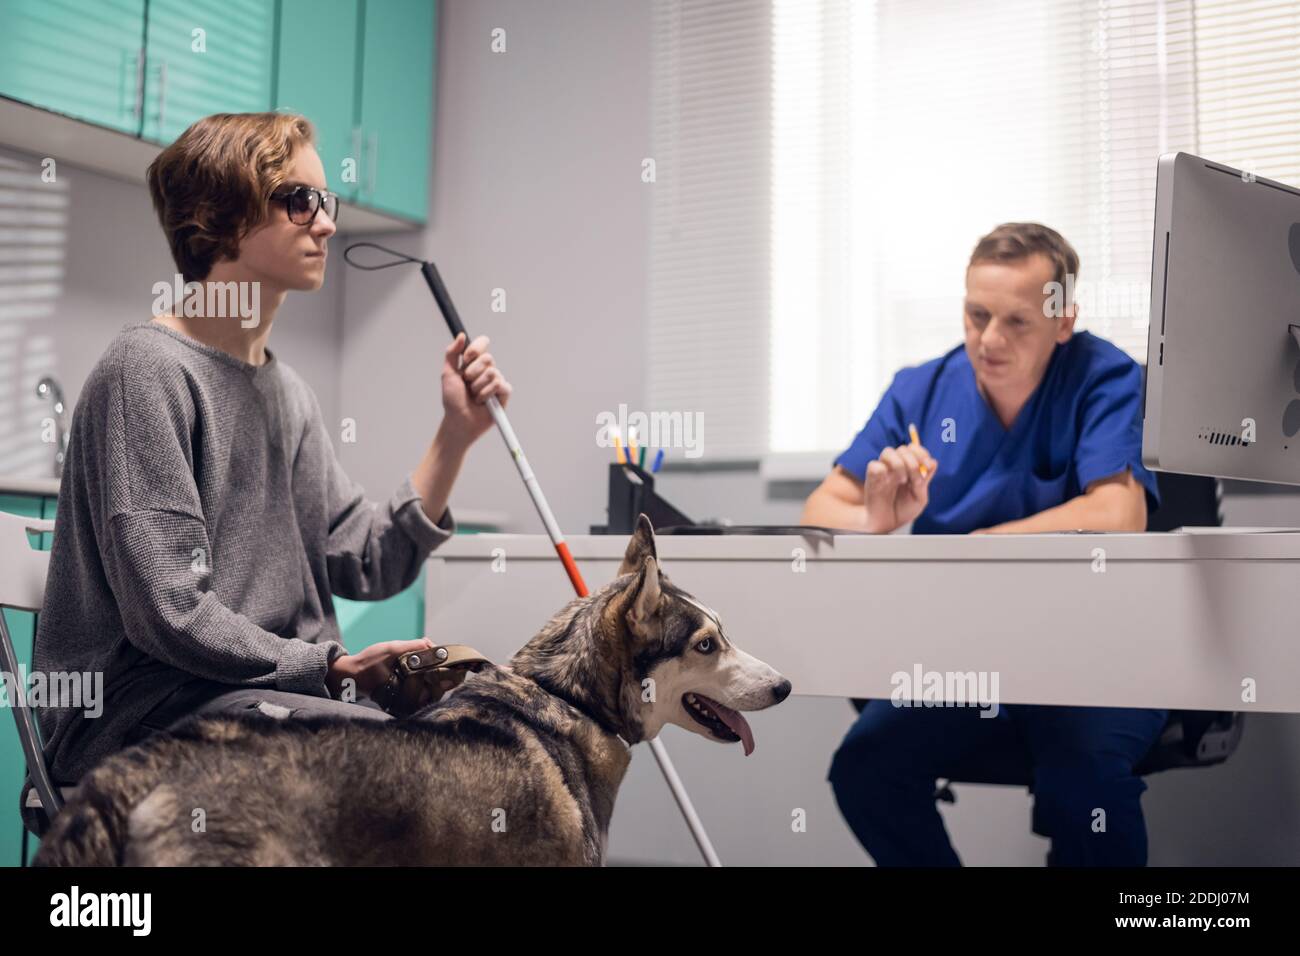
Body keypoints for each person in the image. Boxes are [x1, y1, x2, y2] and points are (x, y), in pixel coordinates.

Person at [28, 112, 512, 804]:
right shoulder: (146, 371)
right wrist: (332, 668)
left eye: (326, 202)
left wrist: (455, 435)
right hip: (141, 717)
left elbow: (370, 561)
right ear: (216, 219)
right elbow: (171, 613)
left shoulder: (287, 394)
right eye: (298, 200)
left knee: (470, 754)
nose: (326, 224)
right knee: (392, 778)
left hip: (265, 701)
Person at [803, 222, 1166, 865]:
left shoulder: (1104, 378)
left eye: (1016, 322)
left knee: (1088, 789)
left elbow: (1119, 509)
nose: (988, 341)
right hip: (968, 660)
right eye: (976, 315)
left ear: (1063, 320)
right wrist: (877, 522)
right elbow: (822, 507)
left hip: (1095, 658)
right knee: (865, 770)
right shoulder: (922, 390)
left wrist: (984, 544)